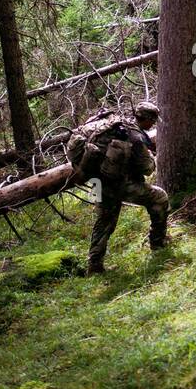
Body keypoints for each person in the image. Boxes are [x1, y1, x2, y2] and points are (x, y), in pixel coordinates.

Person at [69, 101, 168, 274]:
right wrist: (151, 156)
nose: (152, 124)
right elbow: (147, 169)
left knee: (105, 220)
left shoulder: (115, 123)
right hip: (118, 184)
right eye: (152, 121)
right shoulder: (135, 138)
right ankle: (158, 244)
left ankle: (94, 265)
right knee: (160, 197)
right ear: (144, 119)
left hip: (98, 181)